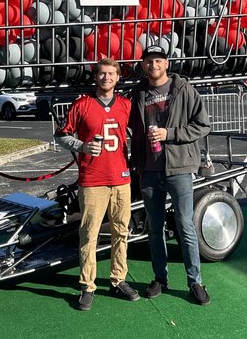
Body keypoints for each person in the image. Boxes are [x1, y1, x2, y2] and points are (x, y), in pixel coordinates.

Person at [129, 45, 212, 305]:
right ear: (144, 66)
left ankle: (195, 281)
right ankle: (160, 278)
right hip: (149, 170)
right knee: (155, 229)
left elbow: (202, 125)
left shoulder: (184, 90)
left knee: (185, 226)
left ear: (166, 64)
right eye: (148, 61)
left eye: (157, 60)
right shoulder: (138, 93)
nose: (153, 64)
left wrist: (170, 134)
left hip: (179, 169)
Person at [54, 58, 139, 311]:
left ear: (117, 77)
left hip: (121, 179)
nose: (106, 78)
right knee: (89, 235)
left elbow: (140, 131)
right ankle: (87, 285)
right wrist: (82, 146)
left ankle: (118, 279)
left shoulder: (126, 105)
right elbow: (61, 134)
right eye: (102, 74)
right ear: (96, 77)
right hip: (93, 180)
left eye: (111, 74)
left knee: (121, 232)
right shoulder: (82, 104)